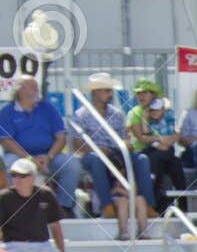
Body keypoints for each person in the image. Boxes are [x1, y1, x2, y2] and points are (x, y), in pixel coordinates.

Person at [73, 72, 155, 239]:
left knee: (141, 159)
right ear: (95, 92)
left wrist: (126, 144)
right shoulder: (81, 115)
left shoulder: (117, 114)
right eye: (105, 90)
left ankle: (147, 204)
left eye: (110, 90)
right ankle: (107, 205)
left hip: (116, 153)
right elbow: (77, 145)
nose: (110, 94)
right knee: (97, 160)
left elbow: (124, 137)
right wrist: (97, 149)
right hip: (92, 155)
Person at [0, 77, 82, 213]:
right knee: (10, 165)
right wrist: (29, 159)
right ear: (20, 91)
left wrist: (49, 157)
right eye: (32, 87)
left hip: (49, 156)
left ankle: (63, 208)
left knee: (72, 165)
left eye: (36, 87)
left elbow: (61, 137)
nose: (37, 90)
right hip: (19, 157)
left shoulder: (47, 108)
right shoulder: (7, 112)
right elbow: (6, 141)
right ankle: (14, 208)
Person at [0, 159, 71, 252]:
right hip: (14, 246)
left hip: (42, 245)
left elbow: (55, 227)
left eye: (22, 175)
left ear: (33, 177)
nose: (17, 179)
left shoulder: (46, 194)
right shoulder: (4, 197)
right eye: (14, 175)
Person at [127, 87, 185, 213]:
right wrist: (145, 119)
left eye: (156, 109)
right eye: (152, 110)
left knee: (172, 162)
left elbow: (174, 135)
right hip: (153, 150)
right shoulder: (146, 118)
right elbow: (145, 137)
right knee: (161, 160)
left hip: (163, 150)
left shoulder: (169, 116)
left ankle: (181, 203)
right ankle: (158, 201)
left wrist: (163, 142)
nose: (154, 112)